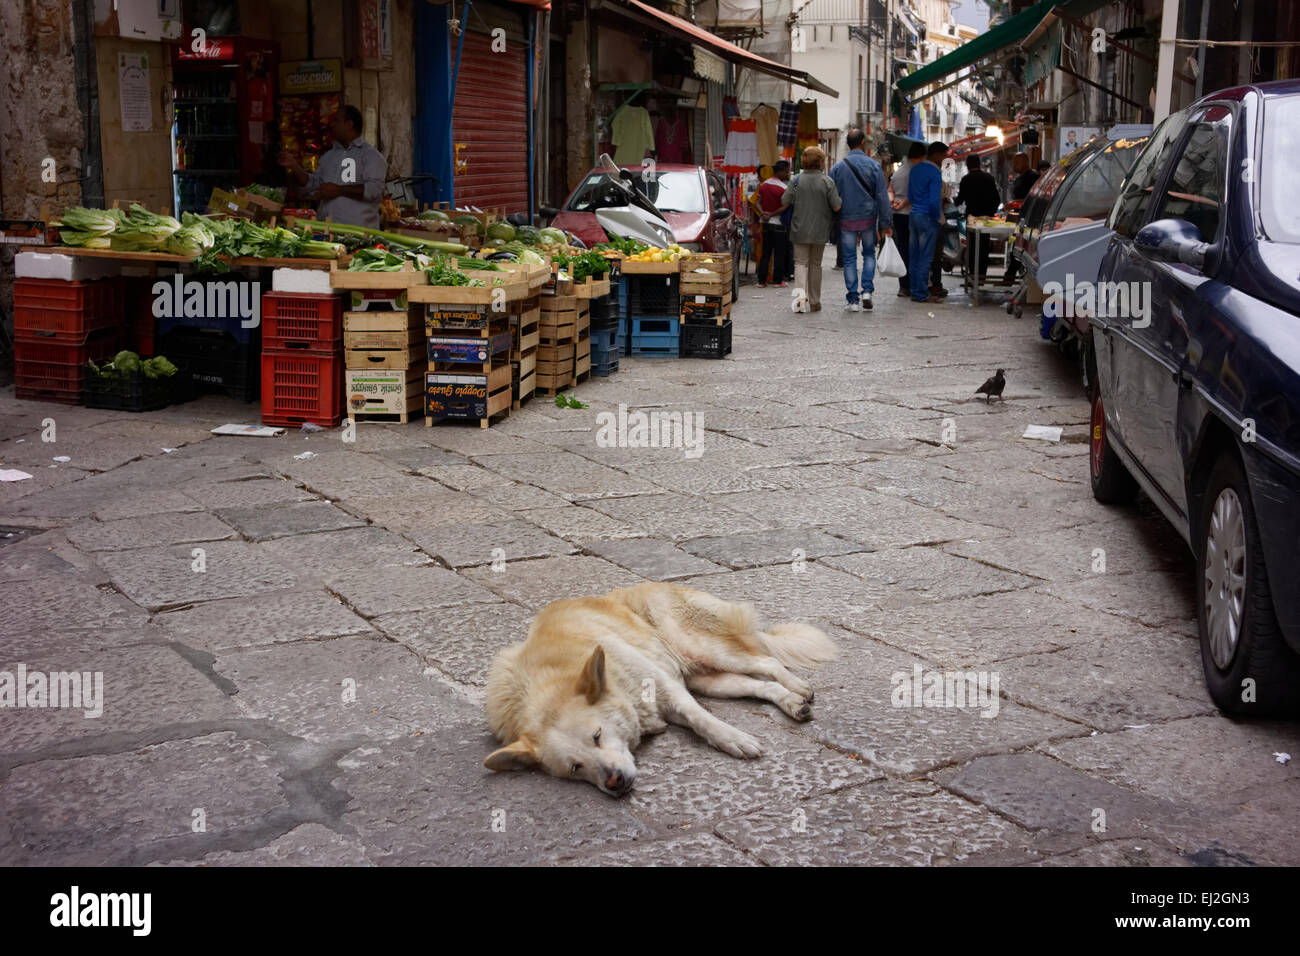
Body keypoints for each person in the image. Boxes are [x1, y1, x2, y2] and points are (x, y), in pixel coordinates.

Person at [279, 105, 386, 228]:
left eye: (336, 120)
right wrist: (294, 166)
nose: (332, 124)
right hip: (326, 230)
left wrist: (339, 190)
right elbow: (313, 184)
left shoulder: (371, 156)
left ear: (349, 124)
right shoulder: (329, 156)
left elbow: (373, 190)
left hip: (358, 233)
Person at [829, 128, 893, 312]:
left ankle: (853, 300)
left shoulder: (837, 168)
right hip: (868, 217)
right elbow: (882, 196)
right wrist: (886, 223)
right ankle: (867, 291)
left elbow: (831, 194)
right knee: (869, 255)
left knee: (849, 259)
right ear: (863, 142)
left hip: (846, 218)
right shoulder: (873, 166)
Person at [779, 145, 841, 313]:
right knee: (815, 264)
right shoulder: (827, 181)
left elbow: (785, 200)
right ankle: (815, 301)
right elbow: (836, 206)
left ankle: (799, 301)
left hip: (799, 229)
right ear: (820, 162)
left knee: (800, 263)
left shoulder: (796, 180)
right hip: (821, 230)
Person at [907, 141, 948, 304]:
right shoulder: (935, 172)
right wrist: (937, 217)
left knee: (914, 256)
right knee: (925, 257)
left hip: (914, 215)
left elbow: (910, 195)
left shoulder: (915, 169)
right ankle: (922, 293)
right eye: (944, 155)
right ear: (937, 155)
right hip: (927, 217)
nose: (944, 159)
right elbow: (934, 200)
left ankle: (915, 290)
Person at [889, 141, 925, 297]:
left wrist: (893, 202)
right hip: (911, 214)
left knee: (903, 249)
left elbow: (889, 189)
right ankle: (914, 285)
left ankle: (903, 286)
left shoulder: (898, 171)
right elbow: (914, 194)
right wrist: (903, 203)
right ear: (922, 156)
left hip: (898, 215)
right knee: (915, 250)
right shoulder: (918, 171)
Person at [956, 154, 1001, 279]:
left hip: (971, 218)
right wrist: (990, 213)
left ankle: (972, 275)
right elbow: (997, 199)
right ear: (979, 163)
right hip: (986, 219)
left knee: (972, 247)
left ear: (967, 165)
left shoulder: (966, 179)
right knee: (984, 247)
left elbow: (960, 200)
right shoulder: (989, 178)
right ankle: (982, 276)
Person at [751, 161, 792, 288]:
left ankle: (761, 281)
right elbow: (785, 207)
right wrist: (772, 214)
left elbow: (757, 202)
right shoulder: (783, 188)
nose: (788, 173)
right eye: (786, 171)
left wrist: (763, 213)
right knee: (779, 253)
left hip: (766, 224)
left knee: (766, 252)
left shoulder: (763, 185)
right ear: (780, 171)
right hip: (779, 224)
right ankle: (778, 281)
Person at [1003, 153, 1040, 284]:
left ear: (1025, 162)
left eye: (1016, 162)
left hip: (1031, 220)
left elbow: (1034, 198)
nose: (1013, 165)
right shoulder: (1018, 179)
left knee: (1021, 247)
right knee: (1016, 244)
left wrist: (1017, 202)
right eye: (1013, 163)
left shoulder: (1033, 177)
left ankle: (1011, 274)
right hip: (1018, 219)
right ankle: (1011, 274)